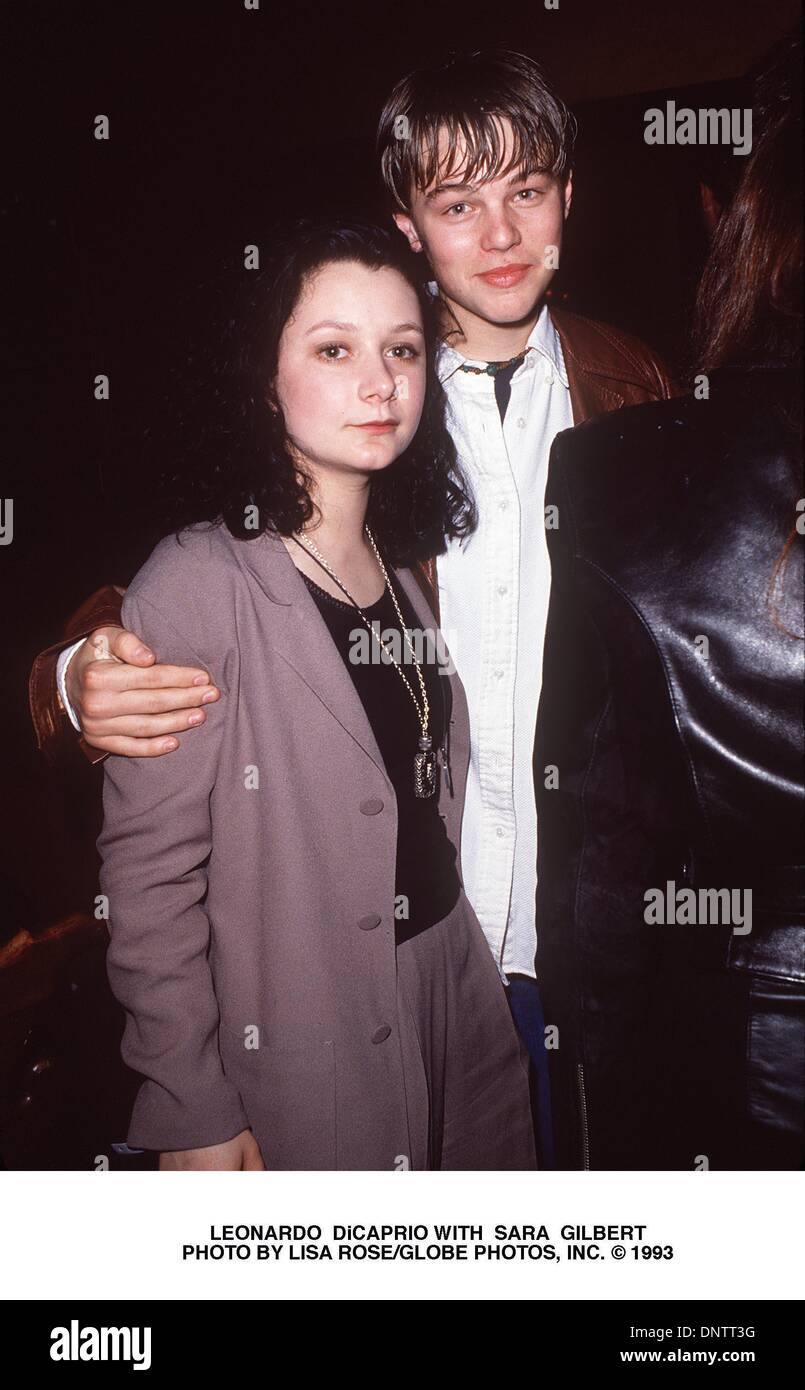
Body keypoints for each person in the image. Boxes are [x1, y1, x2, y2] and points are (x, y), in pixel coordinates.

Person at [30, 50, 676, 1167]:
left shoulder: (644, 391)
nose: (502, 234)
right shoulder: (361, 383)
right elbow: (203, 581)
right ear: (409, 223)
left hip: (592, 933)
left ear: (570, 197)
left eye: (528, 191)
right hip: (401, 939)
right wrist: (67, 677)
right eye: (458, 202)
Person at [96, 220, 537, 1170]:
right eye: (333, 349)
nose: (379, 382)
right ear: (264, 379)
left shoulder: (403, 569)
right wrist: (190, 1102)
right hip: (305, 1028)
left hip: (453, 995)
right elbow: (148, 879)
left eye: (402, 350)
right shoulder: (198, 578)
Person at [534, 34, 804, 1170]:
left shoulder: (613, 467)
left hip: (739, 1038)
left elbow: (599, 827)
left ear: (729, 220)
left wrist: (586, 1053)